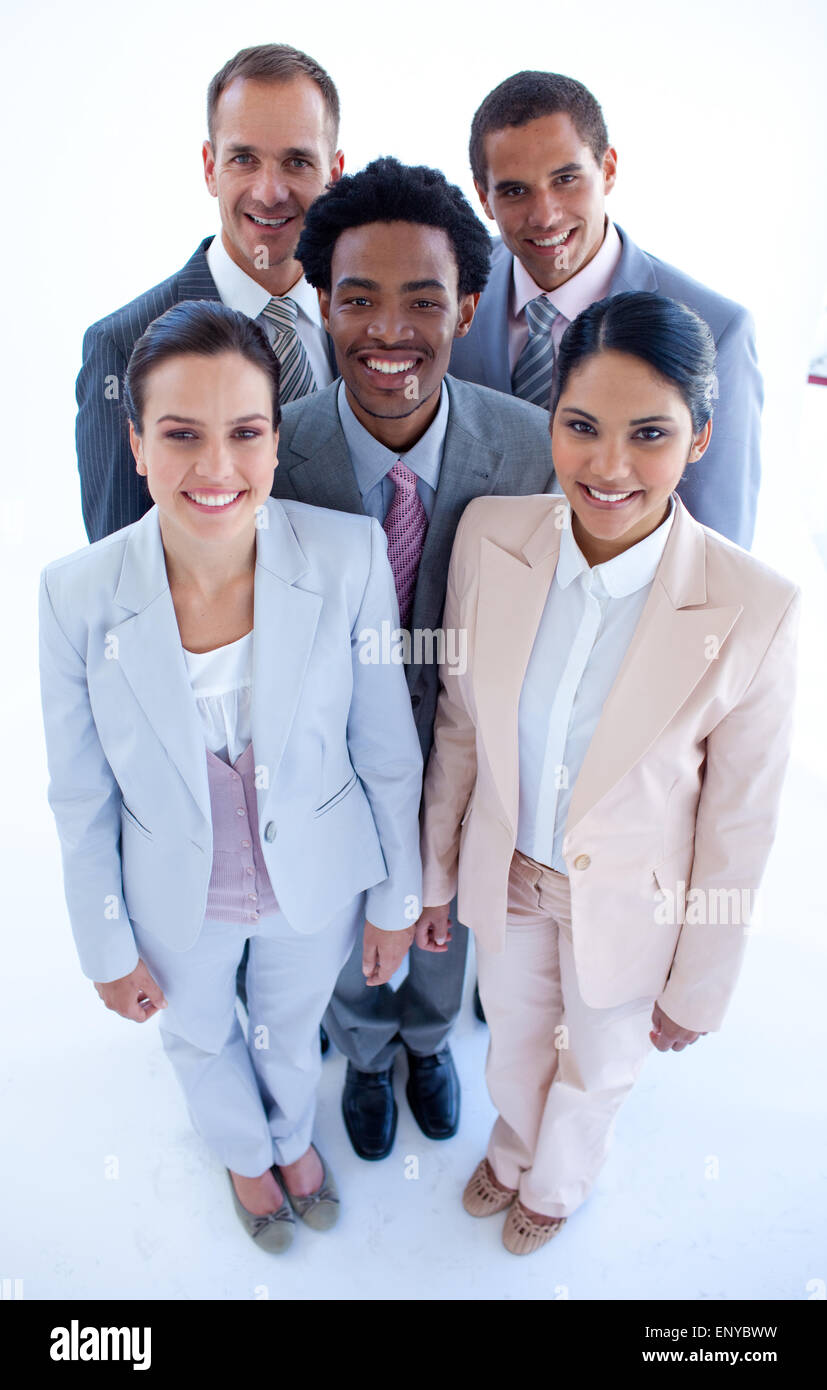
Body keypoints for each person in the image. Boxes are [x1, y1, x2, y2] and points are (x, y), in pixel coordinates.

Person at [417, 292, 799, 1255]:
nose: (609, 466)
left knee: (596, 1065)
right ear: (551, 419)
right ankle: (510, 1151)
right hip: (509, 873)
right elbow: (461, 723)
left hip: (634, 905)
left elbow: (738, 824)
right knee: (511, 1039)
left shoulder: (755, 608)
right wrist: (432, 878)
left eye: (649, 434)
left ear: (701, 439)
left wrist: (698, 986)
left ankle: (558, 1181)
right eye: (581, 426)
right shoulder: (491, 536)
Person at [40, 301, 423, 1252]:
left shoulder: (345, 557)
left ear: (275, 439)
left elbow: (383, 744)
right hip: (175, 895)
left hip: (317, 881)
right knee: (201, 1034)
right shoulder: (75, 595)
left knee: (291, 1029)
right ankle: (243, 1155)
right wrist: (103, 946)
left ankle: (293, 1135)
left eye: (244, 433)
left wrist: (395, 897)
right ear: (135, 445)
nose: (216, 468)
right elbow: (80, 794)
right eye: (180, 435)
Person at [270, 156, 555, 1160]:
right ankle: (359, 1041)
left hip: (474, 750)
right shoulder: (269, 455)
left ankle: (428, 1041)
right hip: (332, 759)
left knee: (446, 913)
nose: (388, 332)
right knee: (355, 910)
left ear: (467, 308)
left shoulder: (529, 451)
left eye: (422, 301)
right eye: (357, 299)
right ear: (318, 303)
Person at [449, 70, 762, 549]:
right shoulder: (447, 292)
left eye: (566, 179)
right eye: (515, 190)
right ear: (483, 197)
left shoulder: (717, 329)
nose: (545, 214)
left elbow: (717, 550)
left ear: (609, 169)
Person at [76, 42, 344, 542]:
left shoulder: (365, 326)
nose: (269, 191)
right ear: (208, 167)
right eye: (244, 159)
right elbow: (121, 572)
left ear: (334, 172)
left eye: (297, 162)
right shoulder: (121, 345)